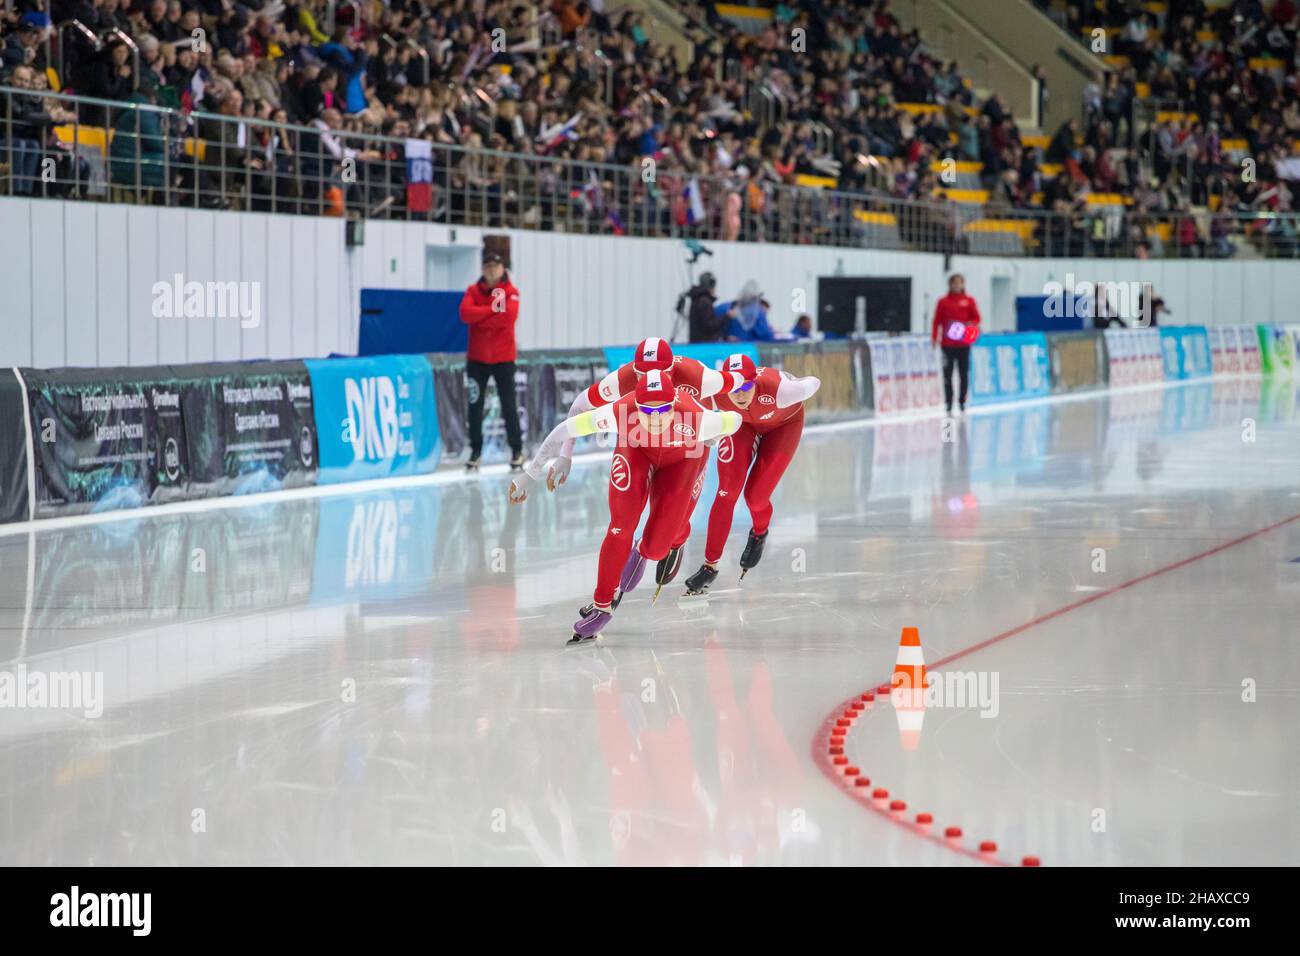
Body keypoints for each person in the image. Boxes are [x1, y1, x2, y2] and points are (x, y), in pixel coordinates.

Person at [509, 369, 742, 645]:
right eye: (647, 410)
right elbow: (564, 429)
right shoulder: (620, 411)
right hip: (636, 452)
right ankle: (602, 604)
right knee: (620, 526)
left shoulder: (698, 419)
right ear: (636, 405)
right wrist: (532, 473)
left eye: (663, 410)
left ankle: (662, 542)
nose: (655, 419)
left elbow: (735, 419)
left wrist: (711, 439)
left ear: (674, 403)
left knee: (656, 548)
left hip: (681, 462)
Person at [683, 355, 821, 597]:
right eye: (734, 387)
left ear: (755, 381)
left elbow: (814, 382)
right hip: (740, 425)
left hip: (784, 425)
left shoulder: (782, 391)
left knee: (755, 497)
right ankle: (710, 565)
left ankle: (759, 533)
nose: (739, 394)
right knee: (726, 492)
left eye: (746, 386)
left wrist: (796, 382)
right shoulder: (716, 391)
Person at [542, 336, 747, 490]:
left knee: (677, 525)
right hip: (641, 443)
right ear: (635, 371)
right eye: (643, 375)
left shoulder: (699, 376)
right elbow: (581, 403)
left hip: (687, 439)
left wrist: (717, 424)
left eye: (659, 373)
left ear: (672, 369)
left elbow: (739, 382)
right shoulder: (623, 378)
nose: (652, 379)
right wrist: (565, 455)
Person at [459, 251, 523, 471]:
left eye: (495, 267)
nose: (491, 271)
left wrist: (481, 317)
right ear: (482, 269)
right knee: (475, 406)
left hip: (504, 359)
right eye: (487, 267)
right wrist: (491, 310)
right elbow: (465, 314)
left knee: (509, 405)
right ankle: (475, 452)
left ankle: (517, 450)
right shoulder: (472, 290)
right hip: (477, 360)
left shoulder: (511, 292)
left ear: (503, 268)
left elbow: (507, 318)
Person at [931, 273, 981, 414]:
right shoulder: (943, 302)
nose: (957, 285)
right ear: (950, 285)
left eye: (959, 283)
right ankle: (948, 402)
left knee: (963, 374)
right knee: (948, 374)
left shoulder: (969, 301)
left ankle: (962, 401)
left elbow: (977, 318)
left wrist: (971, 325)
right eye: (954, 283)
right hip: (947, 345)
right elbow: (937, 321)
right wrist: (934, 338)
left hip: (963, 345)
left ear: (963, 284)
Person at [686, 272, 724, 343]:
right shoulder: (704, 302)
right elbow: (710, 325)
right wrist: (726, 317)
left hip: (697, 344)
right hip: (705, 345)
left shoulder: (697, 299)